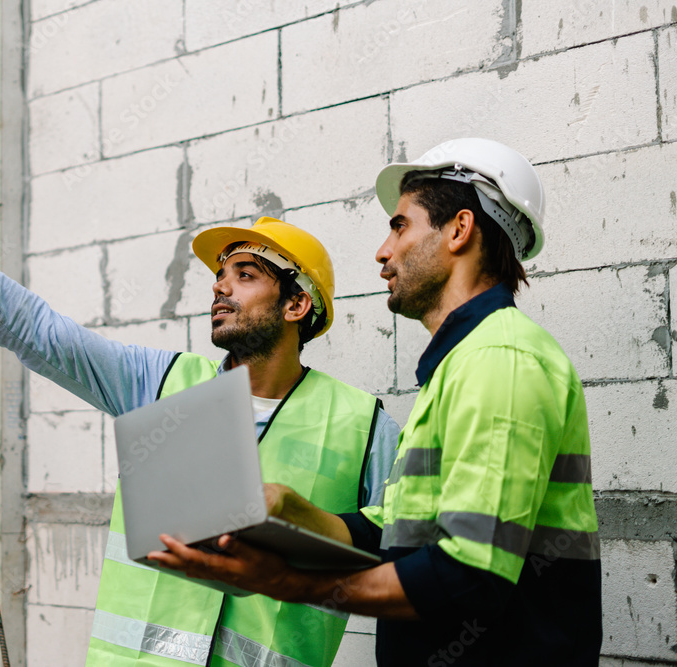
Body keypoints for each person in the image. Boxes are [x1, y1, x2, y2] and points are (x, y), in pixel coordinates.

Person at [0, 155, 401, 667]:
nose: (220, 289)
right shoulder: (161, 384)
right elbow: (38, 331)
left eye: (245, 275)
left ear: (297, 303)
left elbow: (408, 556)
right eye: (219, 277)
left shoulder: (364, 426)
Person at [148, 138, 602, 666]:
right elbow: (392, 530)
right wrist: (287, 510)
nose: (383, 252)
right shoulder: (460, 365)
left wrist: (287, 582)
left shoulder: (501, 360)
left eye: (400, 225)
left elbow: (469, 576)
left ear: (459, 229)